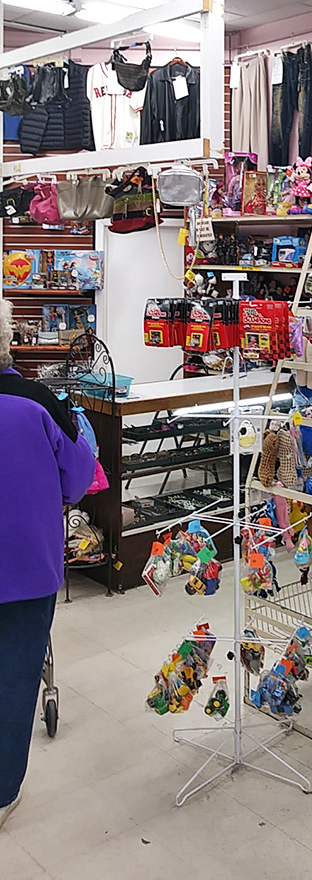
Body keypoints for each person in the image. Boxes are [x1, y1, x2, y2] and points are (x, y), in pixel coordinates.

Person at [0, 299, 95, 829]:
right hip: (27, 568)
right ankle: (1, 792)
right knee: (14, 681)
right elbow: (79, 480)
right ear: (8, 339)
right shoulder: (38, 403)